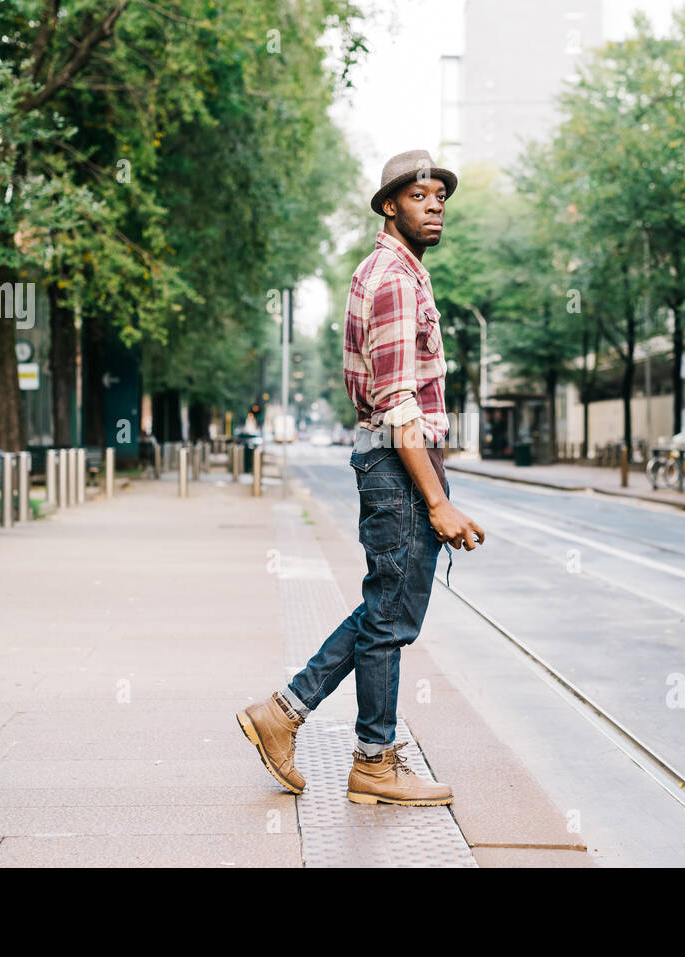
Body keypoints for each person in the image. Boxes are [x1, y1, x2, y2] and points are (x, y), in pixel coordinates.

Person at [236, 149, 485, 807]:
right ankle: (370, 759)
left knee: (386, 610)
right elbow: (399, 401)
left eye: (440, 197)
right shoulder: (397, 279)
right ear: (389, 205)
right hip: (401, 466)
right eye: (418, 195)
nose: (433, 206)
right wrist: (437, 500)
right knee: (389, 618)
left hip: (390, 462)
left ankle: (287, 714)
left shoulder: (386, 272)